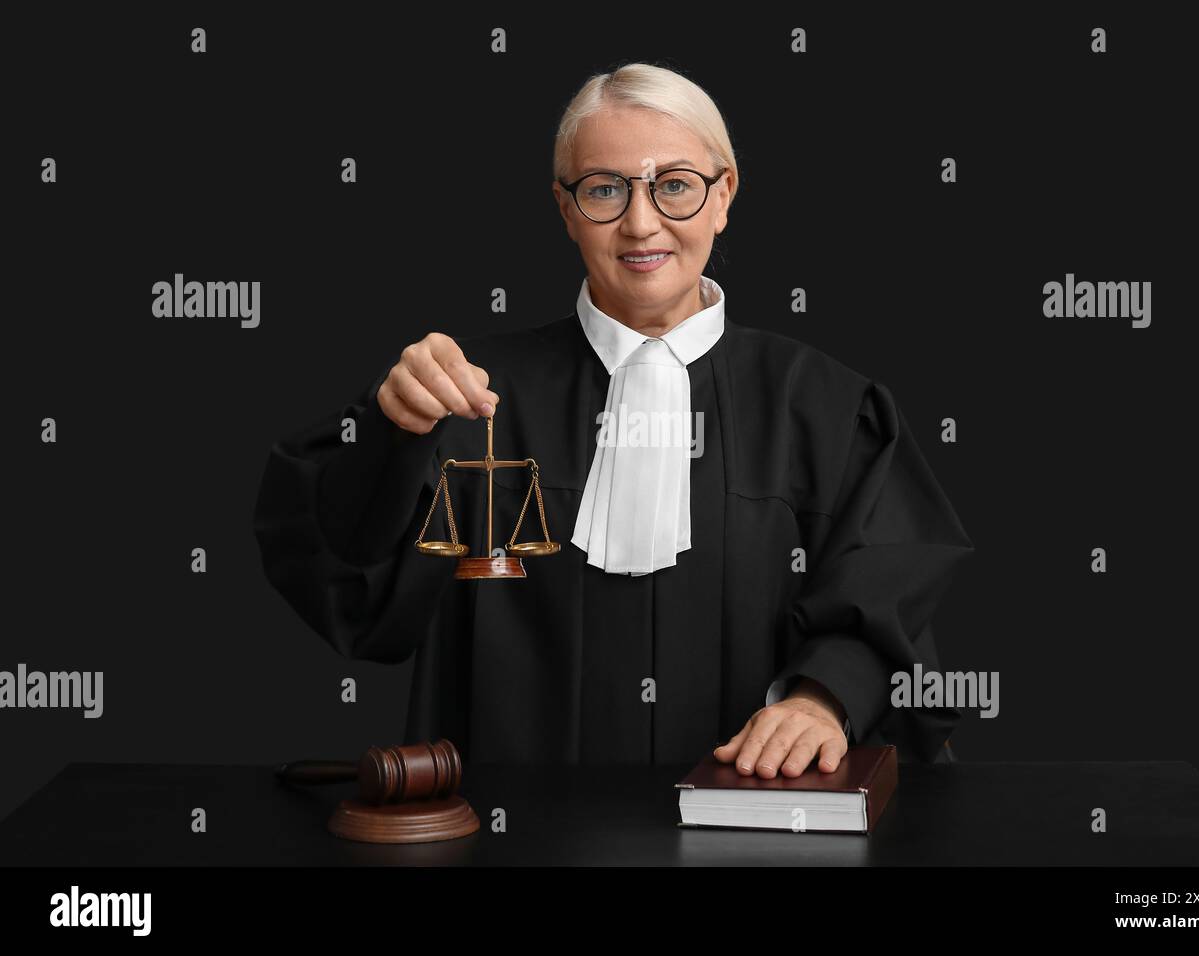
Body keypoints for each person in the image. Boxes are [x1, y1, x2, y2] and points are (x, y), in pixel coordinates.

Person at [253, 62, 974, 776]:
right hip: (513, 832)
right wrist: (391, 430)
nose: (640, 222)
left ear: (724, 196)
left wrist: (822, 700)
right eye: (604, 189)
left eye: (675, 187)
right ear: (565, 208)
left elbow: (887, 599)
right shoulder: (466, 393)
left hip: (752, 828)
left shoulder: (824, 406)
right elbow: (349, 587)